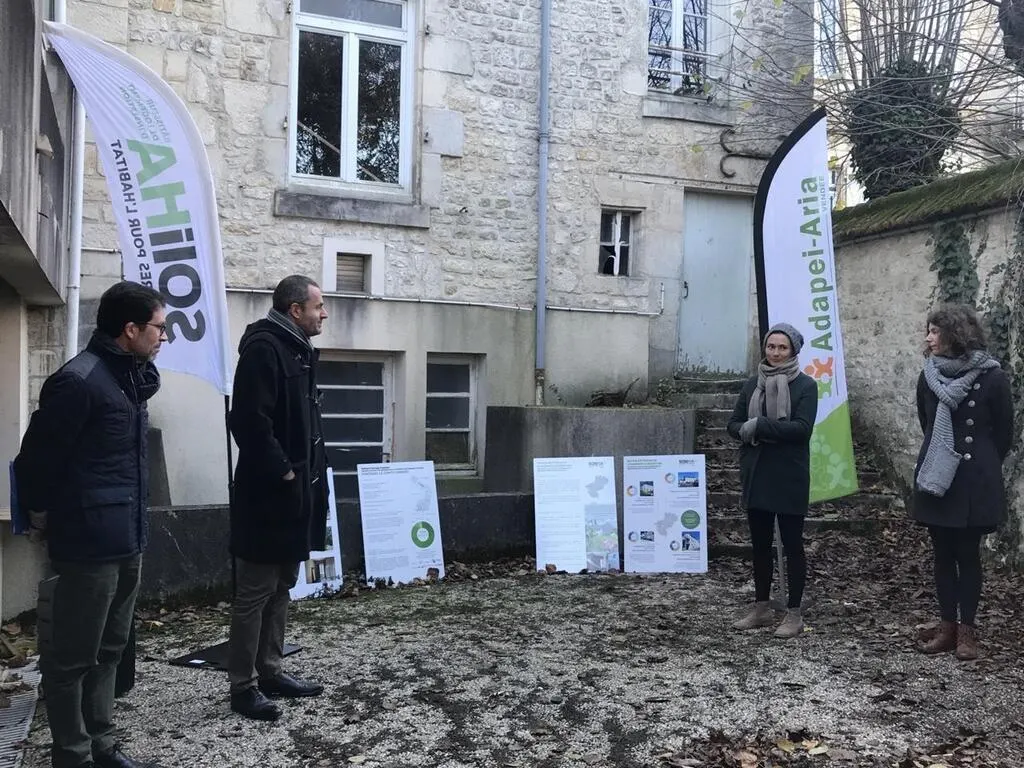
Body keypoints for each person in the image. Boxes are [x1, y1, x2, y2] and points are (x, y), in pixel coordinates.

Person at [14, 281, 165, 768]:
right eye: (159, 328)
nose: (164, 337)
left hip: (127, 538)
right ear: (130, 329)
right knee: (71, 659)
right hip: (87, 545)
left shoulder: (130, 379)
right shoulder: (79, 381)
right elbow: (35, 463)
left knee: (110, 650)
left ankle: (103, 746)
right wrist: (43, 518)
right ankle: (72, 755)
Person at [227, 274, 330, 721]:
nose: (323, 313)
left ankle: (270, 671)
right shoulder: (264, 349)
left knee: (283, 584)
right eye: (319, 306)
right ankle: (242, 688)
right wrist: (285, 472)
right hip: (268, 498)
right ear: (295, 310)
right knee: (254, 592)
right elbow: (249, 422)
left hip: (295, 496)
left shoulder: (296, 349)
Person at [913, 304, 1013, 661]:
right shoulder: (928, 376)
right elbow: (927, 423)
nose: (928, 338)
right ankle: (946, 628)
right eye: (929, 331)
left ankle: (967, 632)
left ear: (956, 334)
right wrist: (943, 459)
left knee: (968, 555)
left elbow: (1004, 433)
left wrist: (980, 466)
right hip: (940, 477)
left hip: (973, 480)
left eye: (935, 331)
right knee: (942, 554)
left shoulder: (993, 377)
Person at [727, 322, 818, 639]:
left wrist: (760, 427)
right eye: (771, 346)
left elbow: (802, 429)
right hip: (757, 471)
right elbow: (733, 424)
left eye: (782, 348)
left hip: (790, 474)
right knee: (760, 546)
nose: (776, 353)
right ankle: (762, 607)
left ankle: (793, 613)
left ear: (793, 350)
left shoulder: (805, 386)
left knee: (793, 545)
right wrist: (749, 429)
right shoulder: (753, 383)